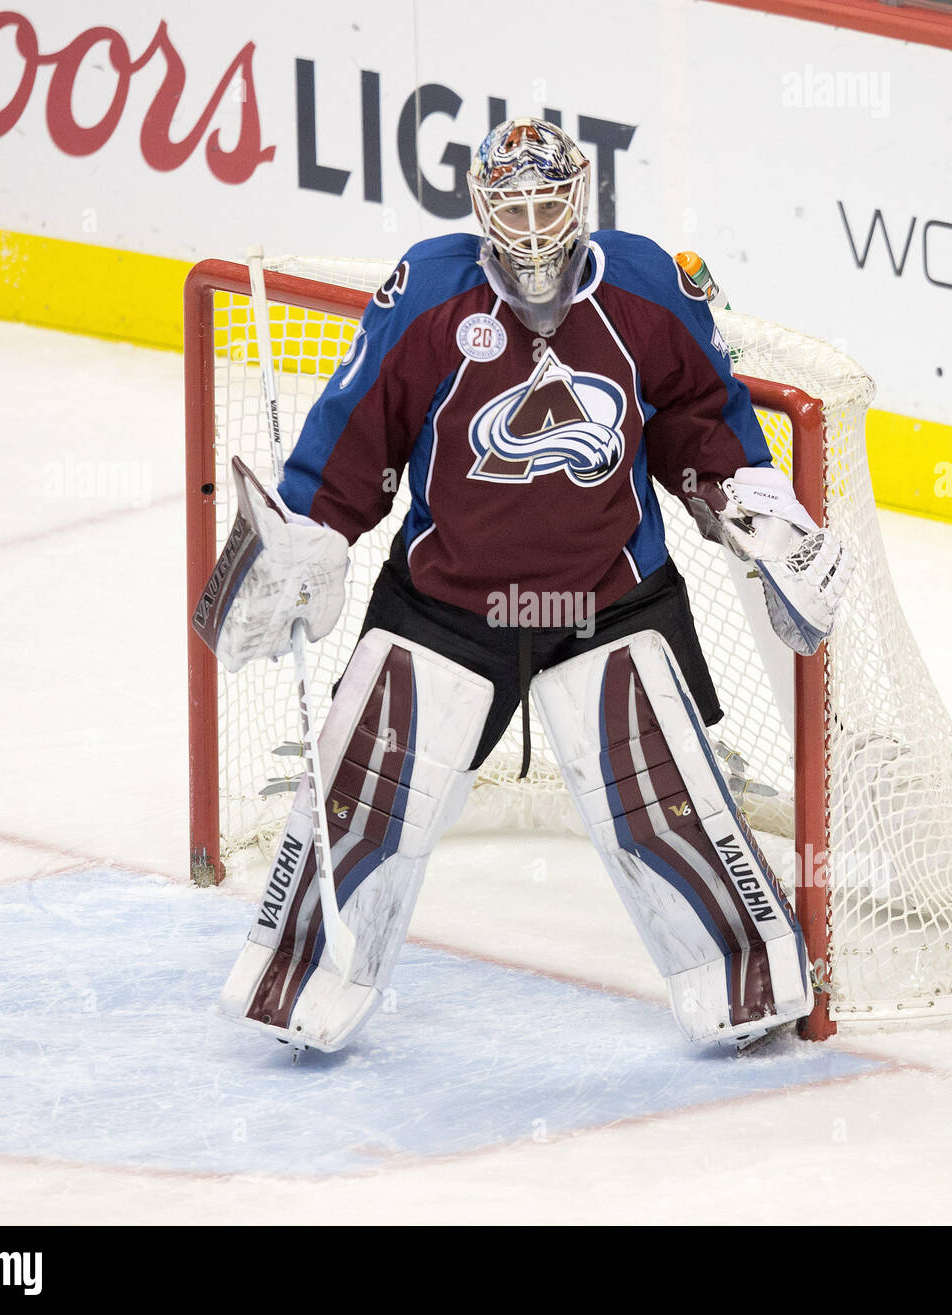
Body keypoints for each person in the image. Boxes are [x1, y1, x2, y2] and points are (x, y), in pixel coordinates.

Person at [203, 117, 852, 1054]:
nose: (537, 226)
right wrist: (307, 537)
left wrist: (752, 506)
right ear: (481, 212)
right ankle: (302, 980)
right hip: (447, 601)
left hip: (609, 595)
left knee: (665, 806)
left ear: (582, 202)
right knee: (361, 793)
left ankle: (747, 981)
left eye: (553, 203)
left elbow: (701, 415)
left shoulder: (642, 286)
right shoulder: (429, 293)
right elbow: (359, 433)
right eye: (516, 207)